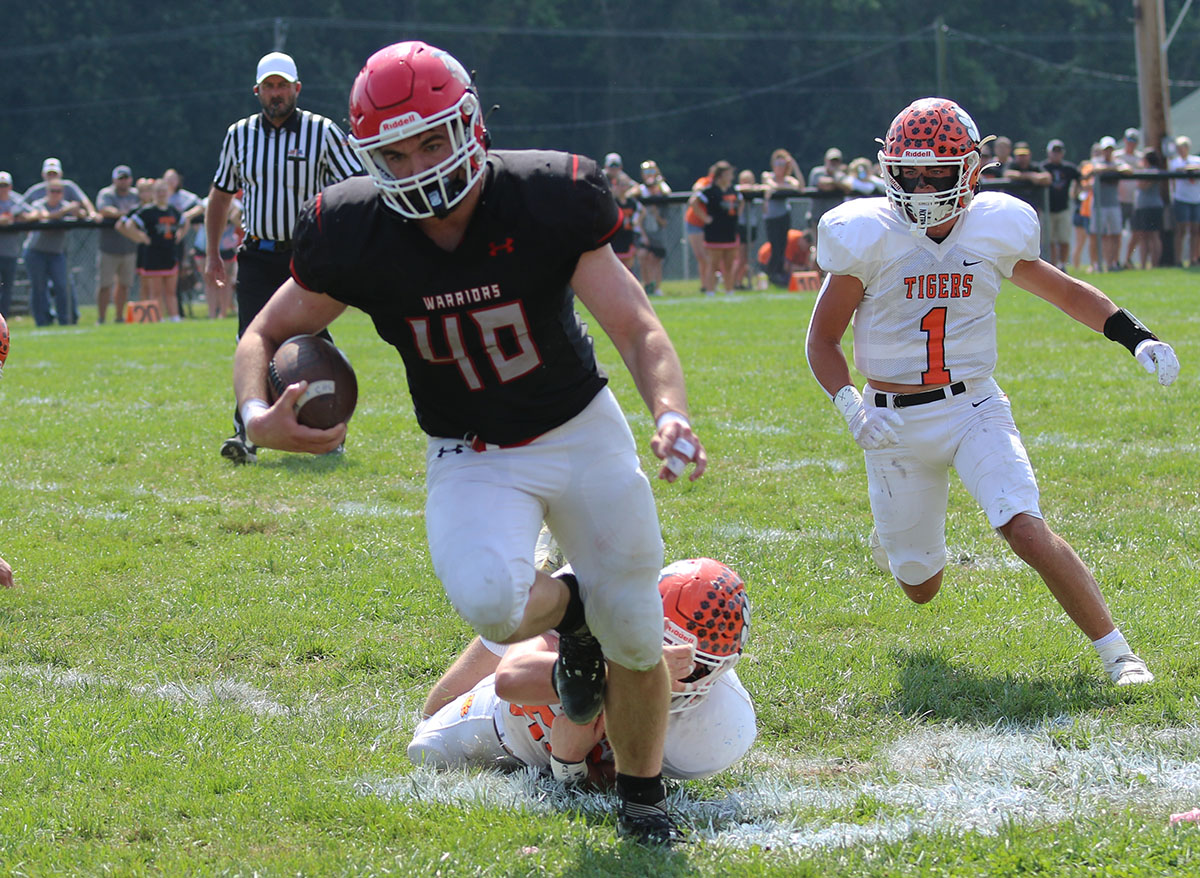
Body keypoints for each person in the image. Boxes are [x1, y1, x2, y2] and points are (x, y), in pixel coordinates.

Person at [231, 40, 707, 845]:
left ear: (470, 126)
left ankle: (643, 799)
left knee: (634, 629)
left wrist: (669, 412)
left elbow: (635, 325)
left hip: (577, 428)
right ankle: (576, 612)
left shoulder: (546, 195)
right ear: (369, 157)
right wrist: (255, 415)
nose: (417, 167)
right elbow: (264, 332)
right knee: (493, 602)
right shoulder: (353, 228)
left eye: (431, 141)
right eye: (394, 153)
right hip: (470, 449)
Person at [806, 97, 1179, 688]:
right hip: (892, 422)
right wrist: (850, 406)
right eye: (908, 173)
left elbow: (1066, 292)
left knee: (1024, 525)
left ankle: (1119, 654)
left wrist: (1136, 337)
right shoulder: (868, 236)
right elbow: (822, 339)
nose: (920, 188)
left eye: (935, 174)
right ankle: (897, 539)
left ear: (971, 171)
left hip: (973, 405)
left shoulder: (991, 228)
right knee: (920, 588)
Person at [409, 558, 754, 792]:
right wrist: (623, 672)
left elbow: (623, 778)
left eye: (693, 665)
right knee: (427, 740)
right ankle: (530, 601)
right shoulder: (600, 593)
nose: (670, 665)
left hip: (553, 738)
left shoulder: (717, 727)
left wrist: (570, 764)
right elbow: (512, 679)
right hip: (510, 714)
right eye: (655, 645)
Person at [206, 50, 362, 464]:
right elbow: (220, 195)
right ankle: (247, 433)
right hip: (257, 254)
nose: (276, 93)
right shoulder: (239, 134)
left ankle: (328, 426)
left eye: (283, 85)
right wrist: (212, 254)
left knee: (312, 342)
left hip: (305, 255)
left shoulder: (321, 131)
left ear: (297, 88)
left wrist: (344, 241)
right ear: (257, 90)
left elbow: (356, 186)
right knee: (250, 342)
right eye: (269, 86)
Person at [118, 178, 183, 321]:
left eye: (164, 191)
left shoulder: (172, 210)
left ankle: (175, 317)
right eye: (158, 191)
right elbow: (128, 225)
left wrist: (180, 234)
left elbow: (185, 222)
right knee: (155, 291)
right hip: (154, 255)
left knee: (171, 291)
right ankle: (158, 317)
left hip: (170, 253)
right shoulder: (148, 211)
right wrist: (141, 237)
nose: (161, 194)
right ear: (154, 193)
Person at [26, 180, 87, 326]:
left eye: (58, 191)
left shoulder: (66, 205)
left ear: (62, 193)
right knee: (39, 287)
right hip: (36, 252)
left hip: (56, 253)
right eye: (52, 191)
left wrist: (78, 212)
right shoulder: (39, 204)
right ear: (47, 192)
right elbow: (45, 215)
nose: (55, 194)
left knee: (62, 285)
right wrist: (66, 211)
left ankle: (65, 320)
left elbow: (83, 215)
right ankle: (42, 321)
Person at [94, 165, 141, 323]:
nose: (123, 181)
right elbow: (104, 209)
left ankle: (119, 317)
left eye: (126, 178)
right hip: (109, 248)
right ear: (114, 180)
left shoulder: (135, 195)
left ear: (131, 179)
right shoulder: (106, 194)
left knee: (124, 285)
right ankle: (101, 318)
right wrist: (125, 214)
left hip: (129, 248)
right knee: (105, 285)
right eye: (120, 178)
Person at [689, 160, 741, 295]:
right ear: (721, 175)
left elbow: (741, 201)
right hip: (714, 232)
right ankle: (710, 291)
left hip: (730, 230)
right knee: (713, 264)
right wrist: (705, 218)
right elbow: (694, 202)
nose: (731, 177)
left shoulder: (732, 190)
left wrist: (737, 215)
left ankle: (730, 291)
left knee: (729, 264)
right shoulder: (710, 191)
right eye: (728, 174)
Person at [193, 193, 243, 319]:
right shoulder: (206, 202)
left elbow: (239, 223)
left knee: (225, 281)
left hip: (226, 247)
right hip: (205, 246)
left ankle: (223, 314)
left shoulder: (236, 206)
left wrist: (233, 217)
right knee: (209, 280)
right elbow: (193, 213)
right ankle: (211, 314)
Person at [761, 149, 802, 287]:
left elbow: (800, 187)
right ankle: (771, 273)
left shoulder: (788, 179)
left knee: (783, 246)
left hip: (784, 215)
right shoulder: (767, 176)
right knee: (775, 246)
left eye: (783, 164)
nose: (779, 167)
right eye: (777, 163)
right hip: (771, 217)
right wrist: (786, 187)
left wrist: (794, 166)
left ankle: (778, 274)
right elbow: (773, 185)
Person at [0, 172, 37, 317]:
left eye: (5, 185)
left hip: (10, 253)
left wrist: (23, 217)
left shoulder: (16, 200)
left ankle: (3, 321)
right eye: (0, 185)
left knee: (7, 288)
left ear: (10, 186)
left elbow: (36, 213)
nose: (2, 188)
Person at [1041, 140, 1082, 270]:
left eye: (1059, 152)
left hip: (1063, 208)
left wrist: (1076, 192)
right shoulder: (1043, 167)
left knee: (1064, 239)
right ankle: (1053, 266)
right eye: (1054, 152)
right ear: (1049, 153)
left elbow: (1080, 178)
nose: (1056, 154)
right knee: (1050, 240)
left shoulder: (1068, 168)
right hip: (1047, 209)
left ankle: (1063, 264)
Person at [634, 160, 670, 297]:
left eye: (651, 170)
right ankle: (648, 285)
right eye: (646, 171)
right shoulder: (641, 189)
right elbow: (631, 193)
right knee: (644, 256)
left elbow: (667, 192)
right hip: (643, 228)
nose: (649, 174)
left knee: (656, 259)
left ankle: (657, 287)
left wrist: (657, 183)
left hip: (657, 227)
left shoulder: (661, 187)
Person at [1090, 136, 1125, 271]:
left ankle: (1113, 262)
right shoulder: (1096, 161)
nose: (1108, 152)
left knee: (1116, 234)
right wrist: (1114, 169)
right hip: (1099, 204)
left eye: (1110, 150)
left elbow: (1127, 169)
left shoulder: (1118, 162)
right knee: (1096, 234)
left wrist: (1111, 168)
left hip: (1113, 203)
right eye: (1106, 149)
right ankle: (1095, 263)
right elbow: (1097, 169)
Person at [1130, 149, 1166, 269]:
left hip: (1151, 206)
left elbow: (1142, 185)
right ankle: (1144, 264)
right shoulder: (1145, 170)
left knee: (1153, 235)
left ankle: (1154, 264)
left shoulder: (1153, 171)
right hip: (1143, 207)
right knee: (1144, 236)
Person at [1168, 135, 1200, 267]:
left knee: (1195, 231)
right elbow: (1176, 169)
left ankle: (1194, 258)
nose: (1181, 150)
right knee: (1181, 230)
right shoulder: (1175, 162)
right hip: (1182, 198)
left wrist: (1191, 168)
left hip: (1196, 199)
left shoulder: (1196, 160)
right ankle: (1178, 259)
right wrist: (1189, 168)